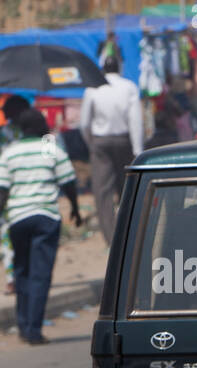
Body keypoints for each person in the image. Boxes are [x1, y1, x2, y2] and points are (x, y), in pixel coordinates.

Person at [0, 109, 82, 344]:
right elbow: (68, 181)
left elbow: (2, 190)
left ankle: (24, 325)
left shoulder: (10, 152)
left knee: (21, 271)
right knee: (41, 274)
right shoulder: (49, 148)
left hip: (18, 219)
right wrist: (75, 209)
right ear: (41, 126)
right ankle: (34, 330)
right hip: (46, 217)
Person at [79, 54, 142, 246]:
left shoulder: (92, 88)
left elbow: (84, 124)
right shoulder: (129, 87)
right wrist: (137, 150)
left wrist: (92, 144)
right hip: (124, 141)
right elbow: (135, 121)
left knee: (103, 192)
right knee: (128, 188)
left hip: (100, 143)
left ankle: (111, 239)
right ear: (119, 66)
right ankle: (129, 233)